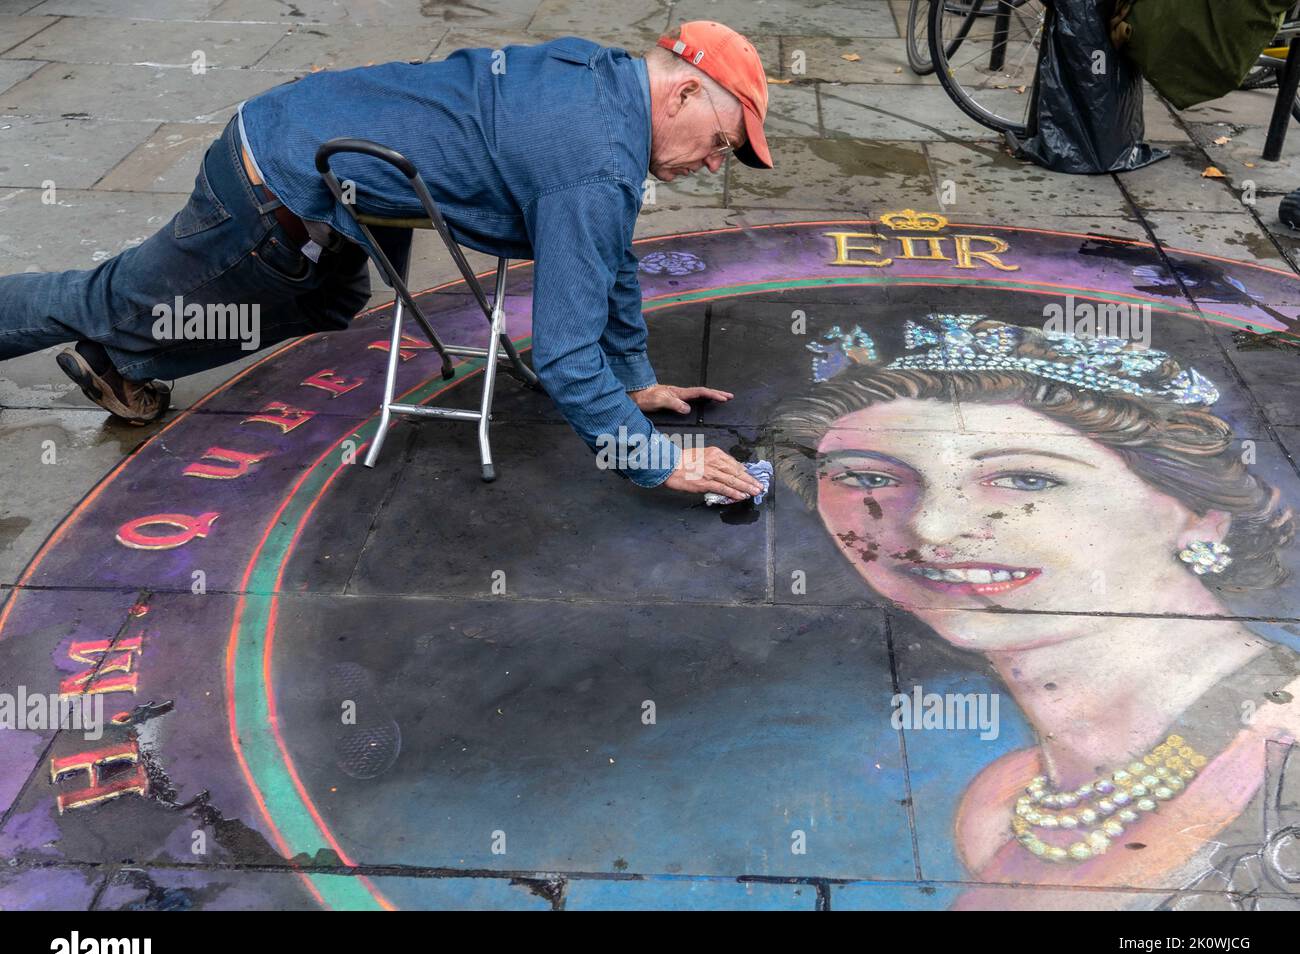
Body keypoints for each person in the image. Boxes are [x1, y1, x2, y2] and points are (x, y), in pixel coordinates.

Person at [0, 21, 767, 502]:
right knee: (113, 297)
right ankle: (121, 339)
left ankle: (123, 358)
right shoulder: (595, 160)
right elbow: (564, 353)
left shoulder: (604, 82)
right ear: (683, 93)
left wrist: (635, 377)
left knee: (326, 304)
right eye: (721, 144)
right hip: (271, 179)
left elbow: (609, 256)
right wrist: (655, 460)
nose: (712, 167)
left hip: (326, 164)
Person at [769, 314, 1300, 909]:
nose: (930, 528)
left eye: (1025, 479)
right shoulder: (1004, 803)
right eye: (868, 478)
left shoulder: (1289, 751)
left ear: (1198, 512)